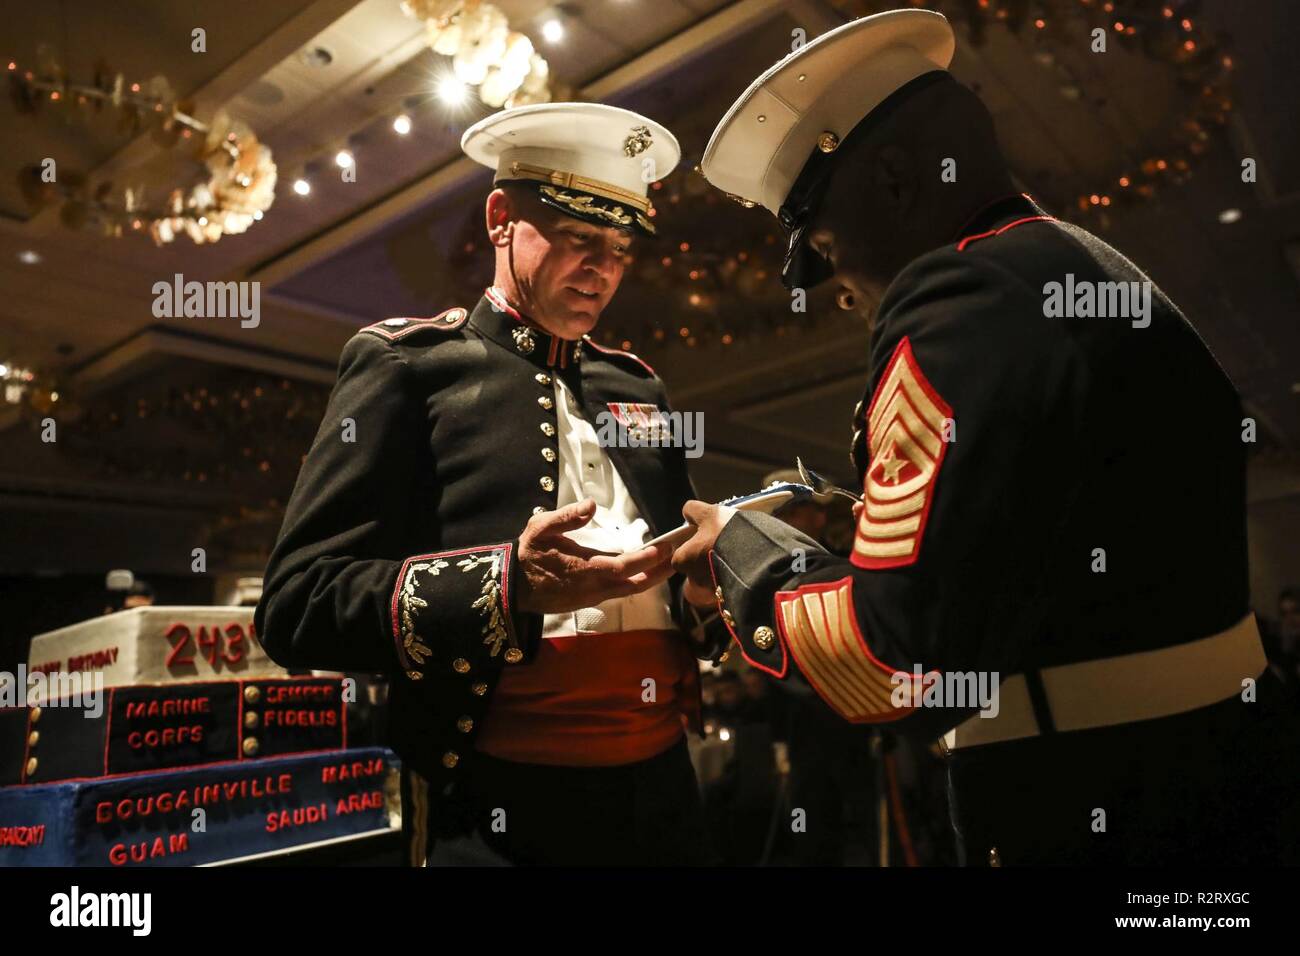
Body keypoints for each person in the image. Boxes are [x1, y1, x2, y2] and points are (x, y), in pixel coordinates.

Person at [673, 9, 1300, 865]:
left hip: (1095, 800)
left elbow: (896, 661)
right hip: (1205, 780)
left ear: (896, 180)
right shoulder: (1074, 265)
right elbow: (1026, 547)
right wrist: (851, 521)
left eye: (823, 244)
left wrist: (740, 548)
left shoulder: (960, 298)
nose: (842, 292)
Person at [256, 103, 728, 866]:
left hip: (665, 787)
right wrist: (507, 587)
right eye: (579, 238)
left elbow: (682, 599)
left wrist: (707, 590)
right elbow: (296, 605)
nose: (602, 270)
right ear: (500, 218)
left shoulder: (643, 388)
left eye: (618, 247)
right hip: (496, 803)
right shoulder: (408, 365)